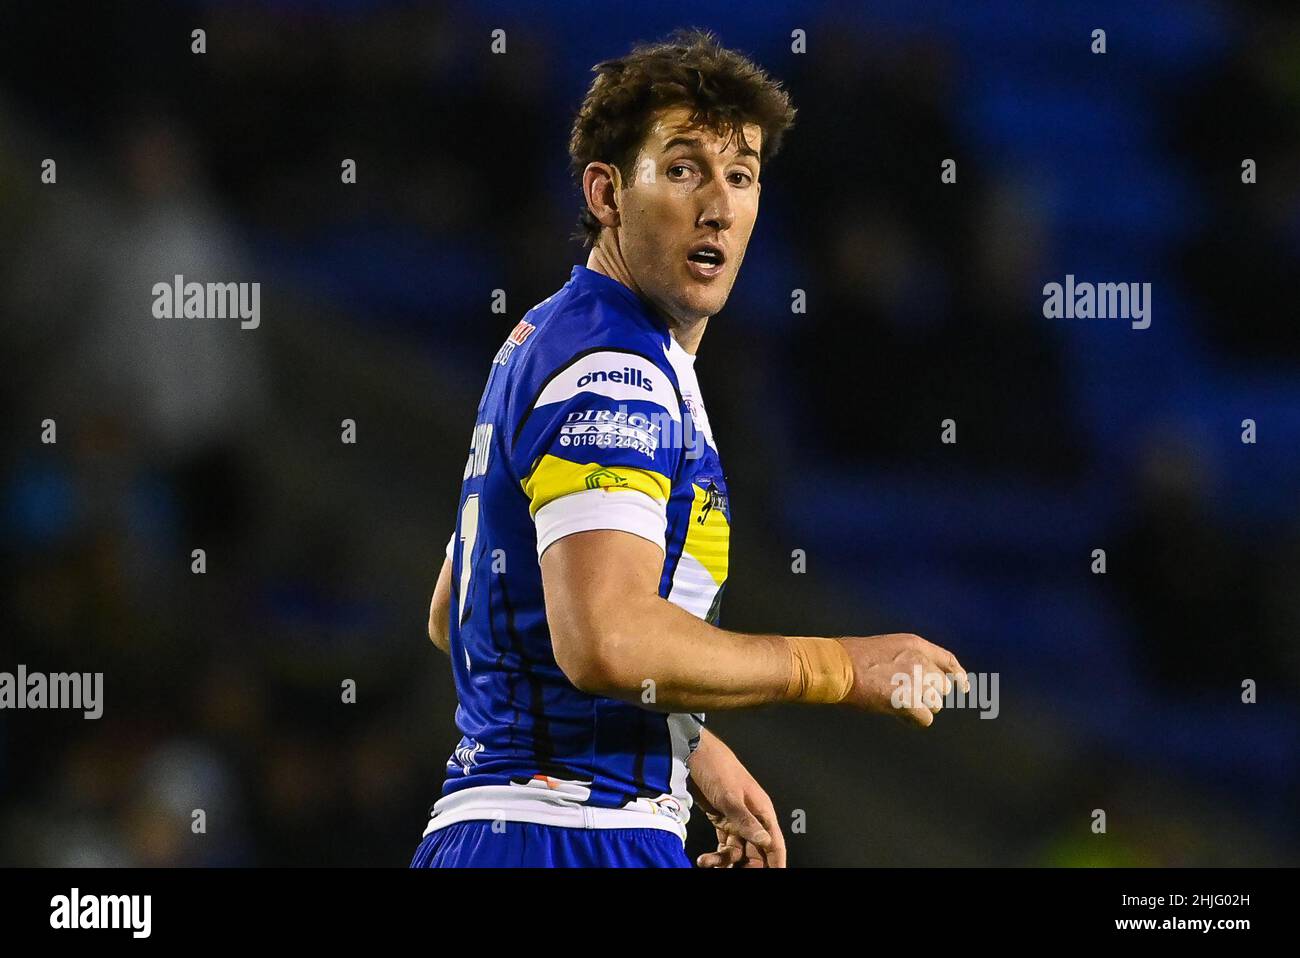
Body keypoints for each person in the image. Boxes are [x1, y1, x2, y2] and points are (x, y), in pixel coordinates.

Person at [412, 29, 967, 869]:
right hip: (570, 839)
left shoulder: (556, 337)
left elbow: (455, 611)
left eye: (740, 175)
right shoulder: (616, 372)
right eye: (681, 170)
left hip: (517, 831)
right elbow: (606, 640)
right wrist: (840, 667)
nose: (718, 204)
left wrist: (687, 750)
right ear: (606, 194)